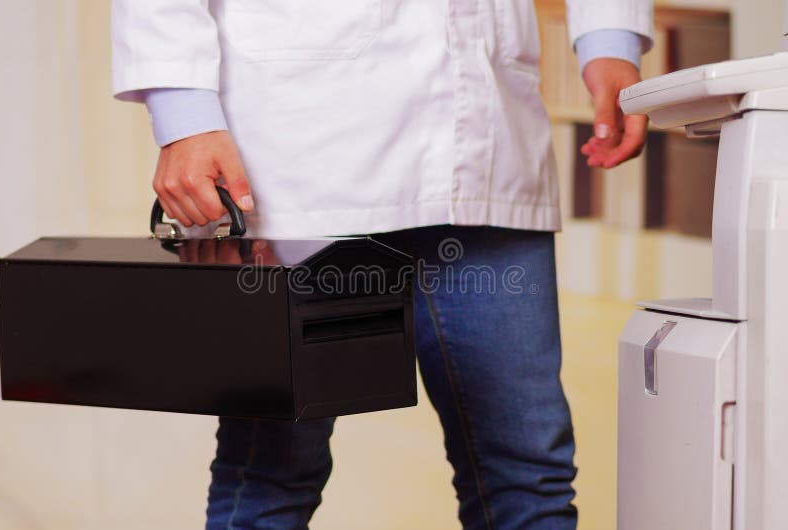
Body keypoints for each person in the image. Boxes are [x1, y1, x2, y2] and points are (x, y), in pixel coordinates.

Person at [112, 2, 652, 528]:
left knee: (529, 476)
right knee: (272, 471)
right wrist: (183, 112)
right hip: (299, 151)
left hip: (489, 143)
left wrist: (610, 38)